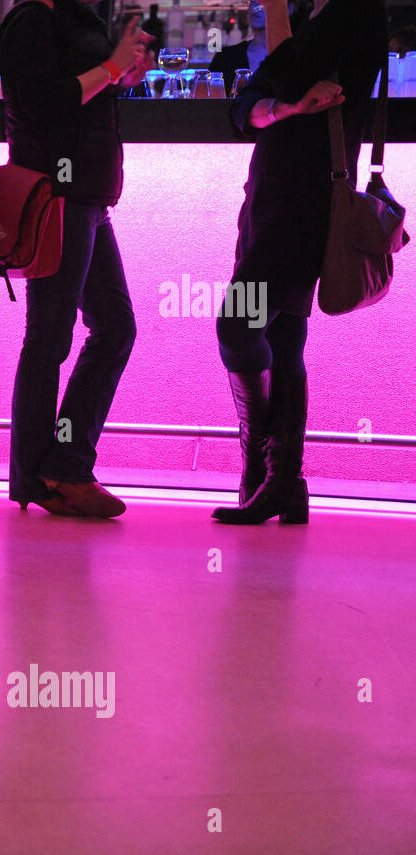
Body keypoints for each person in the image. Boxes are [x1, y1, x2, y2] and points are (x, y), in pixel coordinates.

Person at [211, 0, 386, 525]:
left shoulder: (354, 13)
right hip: (269, 195)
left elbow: (277, 79)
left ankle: (266, 470)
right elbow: (246, 105)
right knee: (283, 336)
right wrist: (274, 103)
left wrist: (273, 15)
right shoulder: (317, 14)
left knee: (237, 322)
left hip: (306, 203)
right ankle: (281, 482)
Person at [0, 0, 149, 518]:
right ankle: (42, 477)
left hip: (85, 194)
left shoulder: (72, 16)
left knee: (111, 329)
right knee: (52, 336)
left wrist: (122, 76)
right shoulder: (34, 17)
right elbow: (43, 100)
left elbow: (80, 98)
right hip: (57, 195)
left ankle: (61, 463)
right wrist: (110, 69)